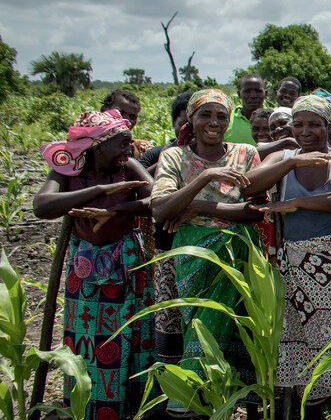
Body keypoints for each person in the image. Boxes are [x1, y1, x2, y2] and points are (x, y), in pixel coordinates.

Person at [241, 95, 331, 417]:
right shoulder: (283, 158)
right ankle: (313, 407)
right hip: (295, 269)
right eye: (299, 124)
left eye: (314, 124)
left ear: (329, 126)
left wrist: (298, 203)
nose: (306, 131)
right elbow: (248, 185)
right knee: (302, 344)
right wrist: (293, 163)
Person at [33, 110, 155, 418]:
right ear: (98, 147)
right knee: (86, 339)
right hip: (85, 266)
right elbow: (42, 206)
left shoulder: (128, 166)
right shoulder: (68, 170)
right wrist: (100, 191)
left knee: (132, 334)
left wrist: (118, 209)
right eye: (123, 143)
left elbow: (158, 199)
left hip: (128, 262)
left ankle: (131, 409)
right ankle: (89, 407)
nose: (130, 149)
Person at [149, 89, 264, 413]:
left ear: (229, 121)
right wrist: (205, 177)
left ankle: (222, 399)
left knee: (238, 326)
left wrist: (198, 206)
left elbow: (256, 210)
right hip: (191, 254)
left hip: (238, 252)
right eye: (205, 115)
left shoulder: (246, 153)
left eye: (221, 116)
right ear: (191, 119)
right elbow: (161, 209)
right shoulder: (175, 157)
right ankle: (194, 395)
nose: (214, 122)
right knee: (197, 321)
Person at [137, 91, 193, 367]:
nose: (190, 129)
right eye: (184, 123)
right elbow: (143, 189)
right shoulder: (158, 154)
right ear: (174, 124)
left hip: (198, 243)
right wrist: (173, 155)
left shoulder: (221, 155)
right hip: (167, 245)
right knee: (169, 317)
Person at [102, 89, 154, 159]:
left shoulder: (143, 148)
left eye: (132, 117)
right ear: (103, 110)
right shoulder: (91, 147)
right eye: (120, 113)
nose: (127, 120)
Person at [226, 74, 267, 144]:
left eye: (258, 91)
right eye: (247, 91)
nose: (253, 96)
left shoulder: (273, 118)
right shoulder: (228, 119)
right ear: (239, 94)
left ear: (265, 94)